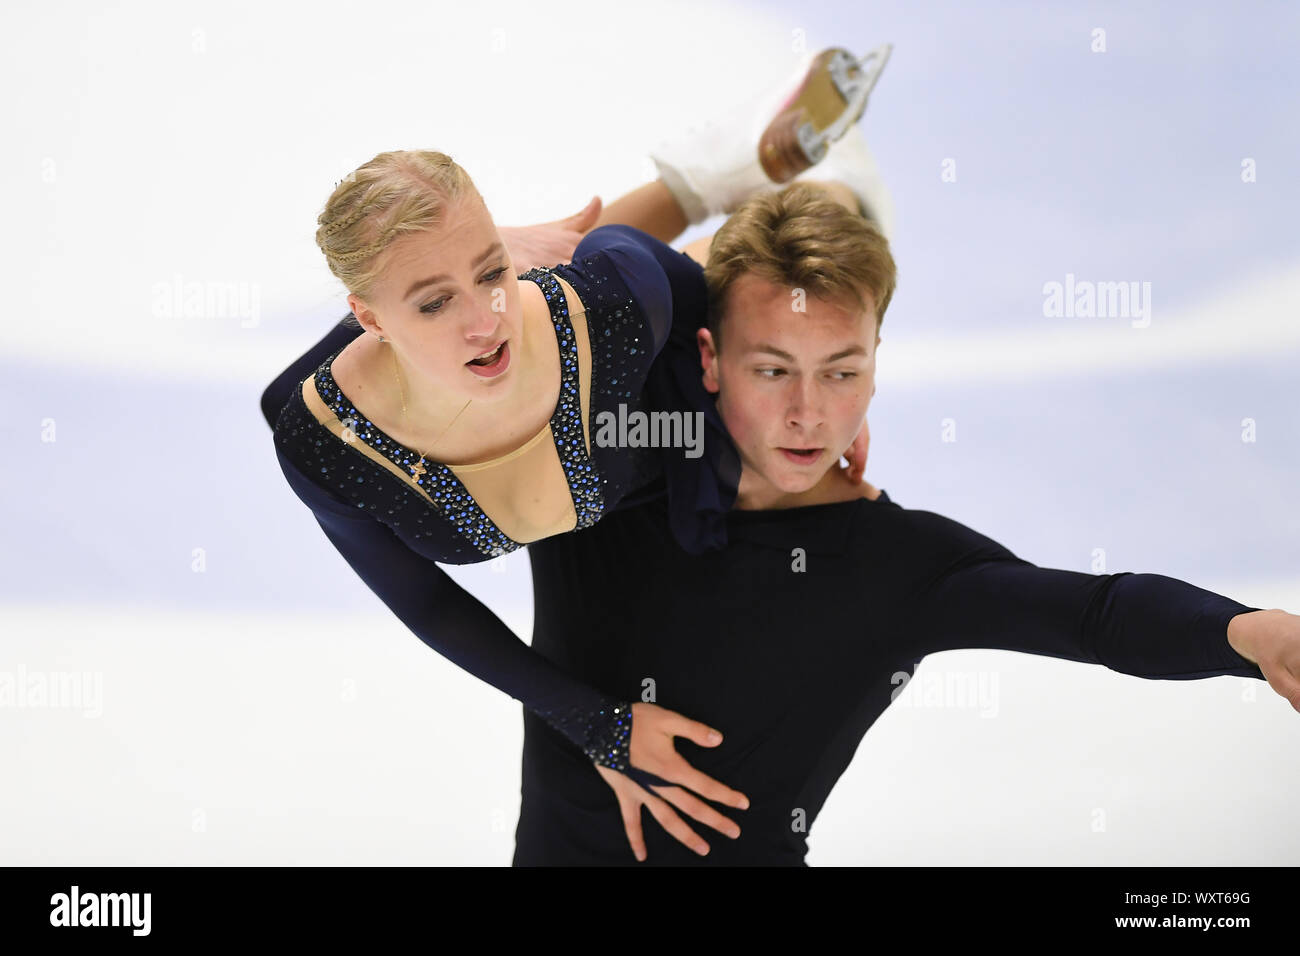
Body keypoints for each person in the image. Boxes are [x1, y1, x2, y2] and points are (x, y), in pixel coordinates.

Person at [512, 180, 1300, 866]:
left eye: (842, 372)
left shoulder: (896, 567)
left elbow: (1096, 614)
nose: (808, 414)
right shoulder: (599, 469)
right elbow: (510, 314)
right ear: (710, 359)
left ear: (878, 362)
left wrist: (1247, 634)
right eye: (773, 370)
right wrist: (692, 182)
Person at [258, 43, 894, 801]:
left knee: (760, 253)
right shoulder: (327, 447)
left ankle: (814, 180)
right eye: (433, 301)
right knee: (302, 398)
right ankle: (695, 177)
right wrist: (598, 725)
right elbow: (426, 601)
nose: (482, 323)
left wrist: (804, 410)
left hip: (648, 403)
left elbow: (737, 323)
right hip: (548, 327)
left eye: (493, 271)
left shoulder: (615, 306)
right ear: (366, 318)